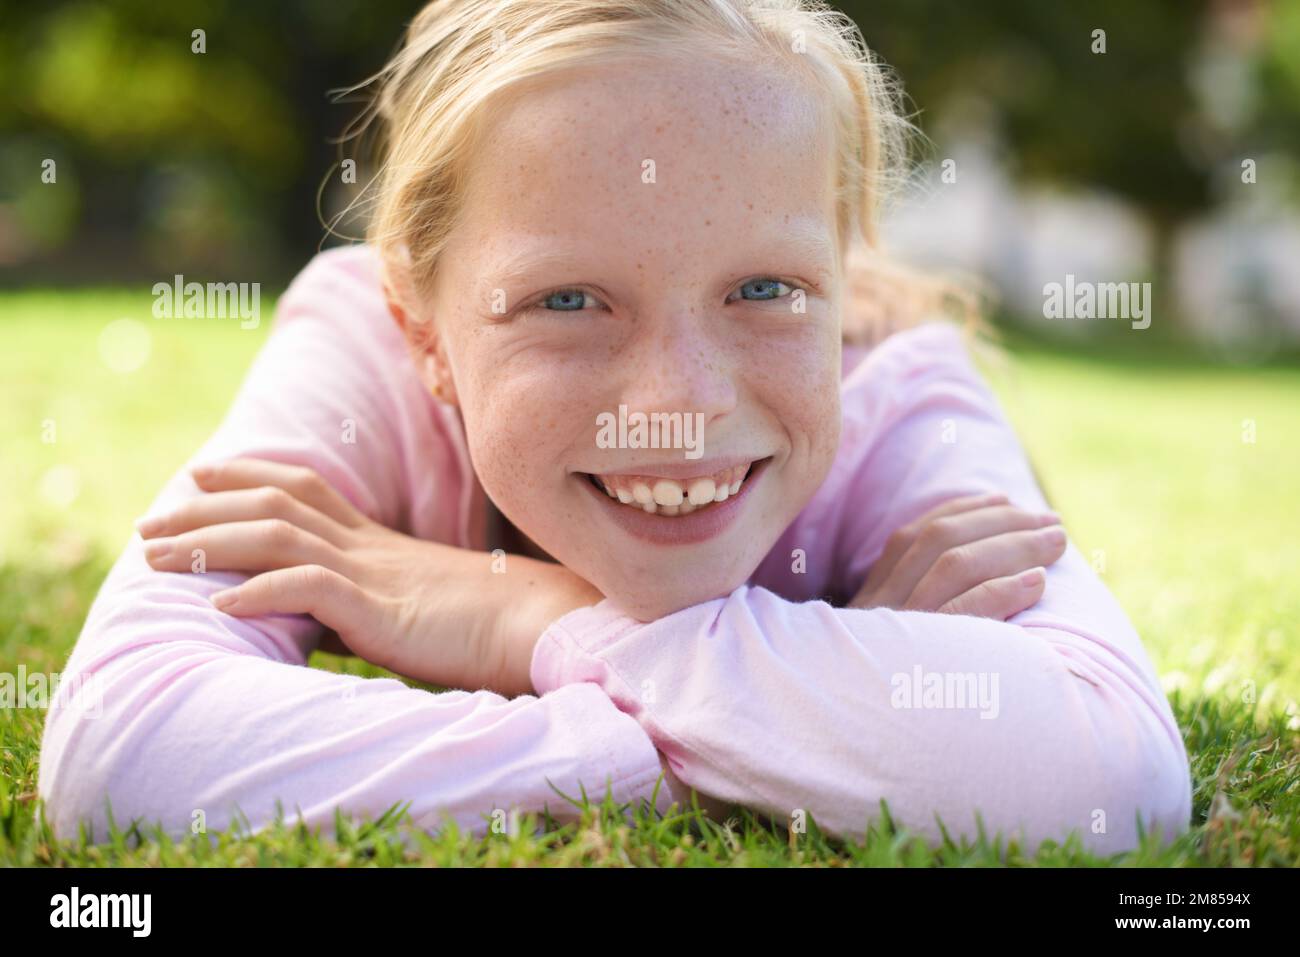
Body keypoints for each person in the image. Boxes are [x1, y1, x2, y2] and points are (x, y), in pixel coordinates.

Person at [38, 0, 1191, 854]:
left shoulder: (900, 394)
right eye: (568, 301)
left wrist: (522, 621)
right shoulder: (359, 352)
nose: (680, 405)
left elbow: (1109, 775)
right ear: (425, 327)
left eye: (764, 290)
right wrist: (780, 729)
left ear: (843, 285)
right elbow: (124, 746)